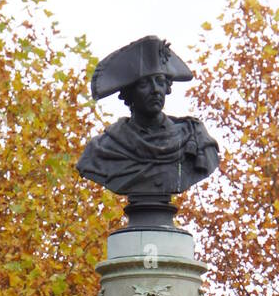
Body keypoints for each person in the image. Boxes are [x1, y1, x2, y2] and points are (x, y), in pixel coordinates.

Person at [77, 35, 219, 198]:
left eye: (160, 81)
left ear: (167, 87)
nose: (155, 90)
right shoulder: (103, 148)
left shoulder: (193, 137)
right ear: (128, 93)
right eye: (144, 84)